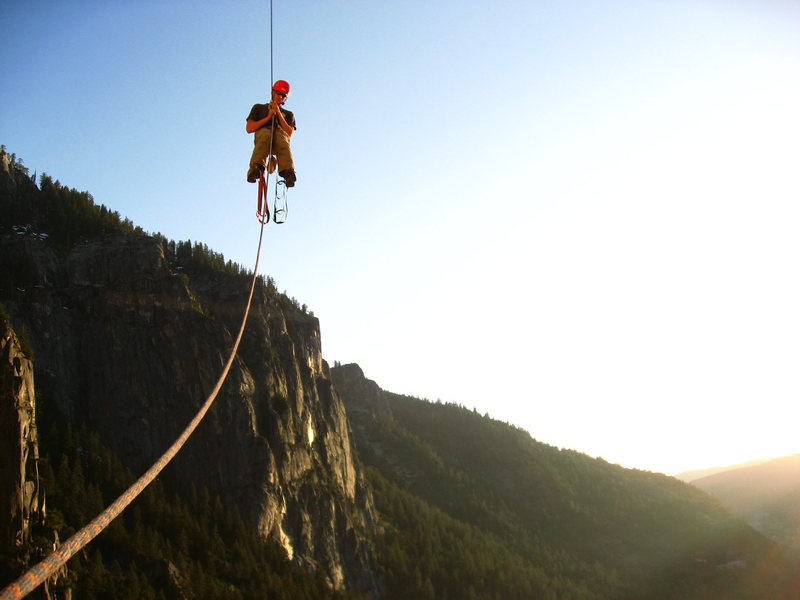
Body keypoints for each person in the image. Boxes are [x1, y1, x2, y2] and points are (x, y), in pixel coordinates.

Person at [246, 80, 297, 187]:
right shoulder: (259, 108)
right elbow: (250, 128)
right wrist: (268, 117)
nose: (280, 97)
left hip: (280, 141)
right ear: (273, 92)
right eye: (278, 93)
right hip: (264, 138)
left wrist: (278, 113)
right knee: (266, 133)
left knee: (281, 137)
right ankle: (256, 168)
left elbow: (289, 133)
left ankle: (288, 172)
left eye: (283, 96)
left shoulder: (288, 114)